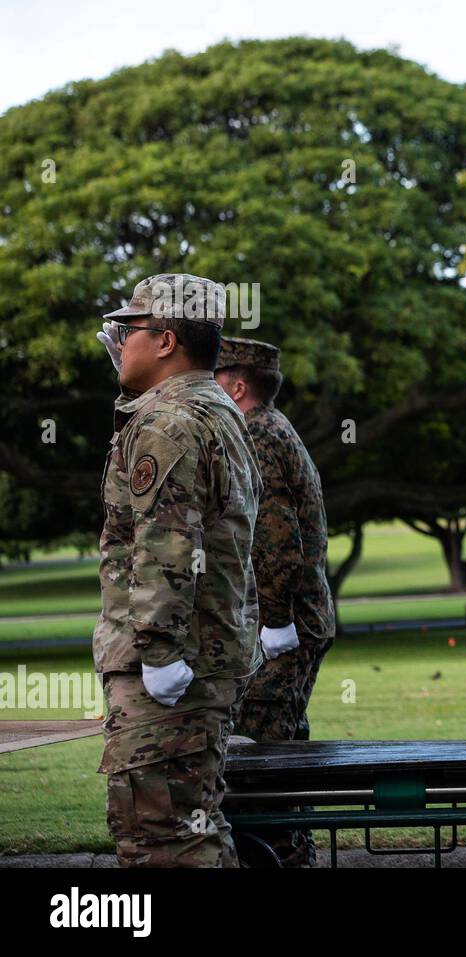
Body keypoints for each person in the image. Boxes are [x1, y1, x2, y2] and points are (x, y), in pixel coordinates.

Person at [93, 273, 261, 867]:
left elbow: (165, 546)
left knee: (163, 840)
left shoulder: (169, 423)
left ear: (166, 341)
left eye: (129, 328)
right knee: (190, 827)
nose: (119, 340)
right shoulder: (210, 409)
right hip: (204, 657)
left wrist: (159, 653)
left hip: (170, 670)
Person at [216, 335, 336, 868]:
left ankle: (283, 860)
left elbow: (275, 537)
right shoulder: (270, 427)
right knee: (284, 747)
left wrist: (276, 622)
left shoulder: (255, 433)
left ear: (238, 385)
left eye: (216, 379)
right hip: (292, 620)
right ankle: (296, 855)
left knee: (260, 760)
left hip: (280, 626)